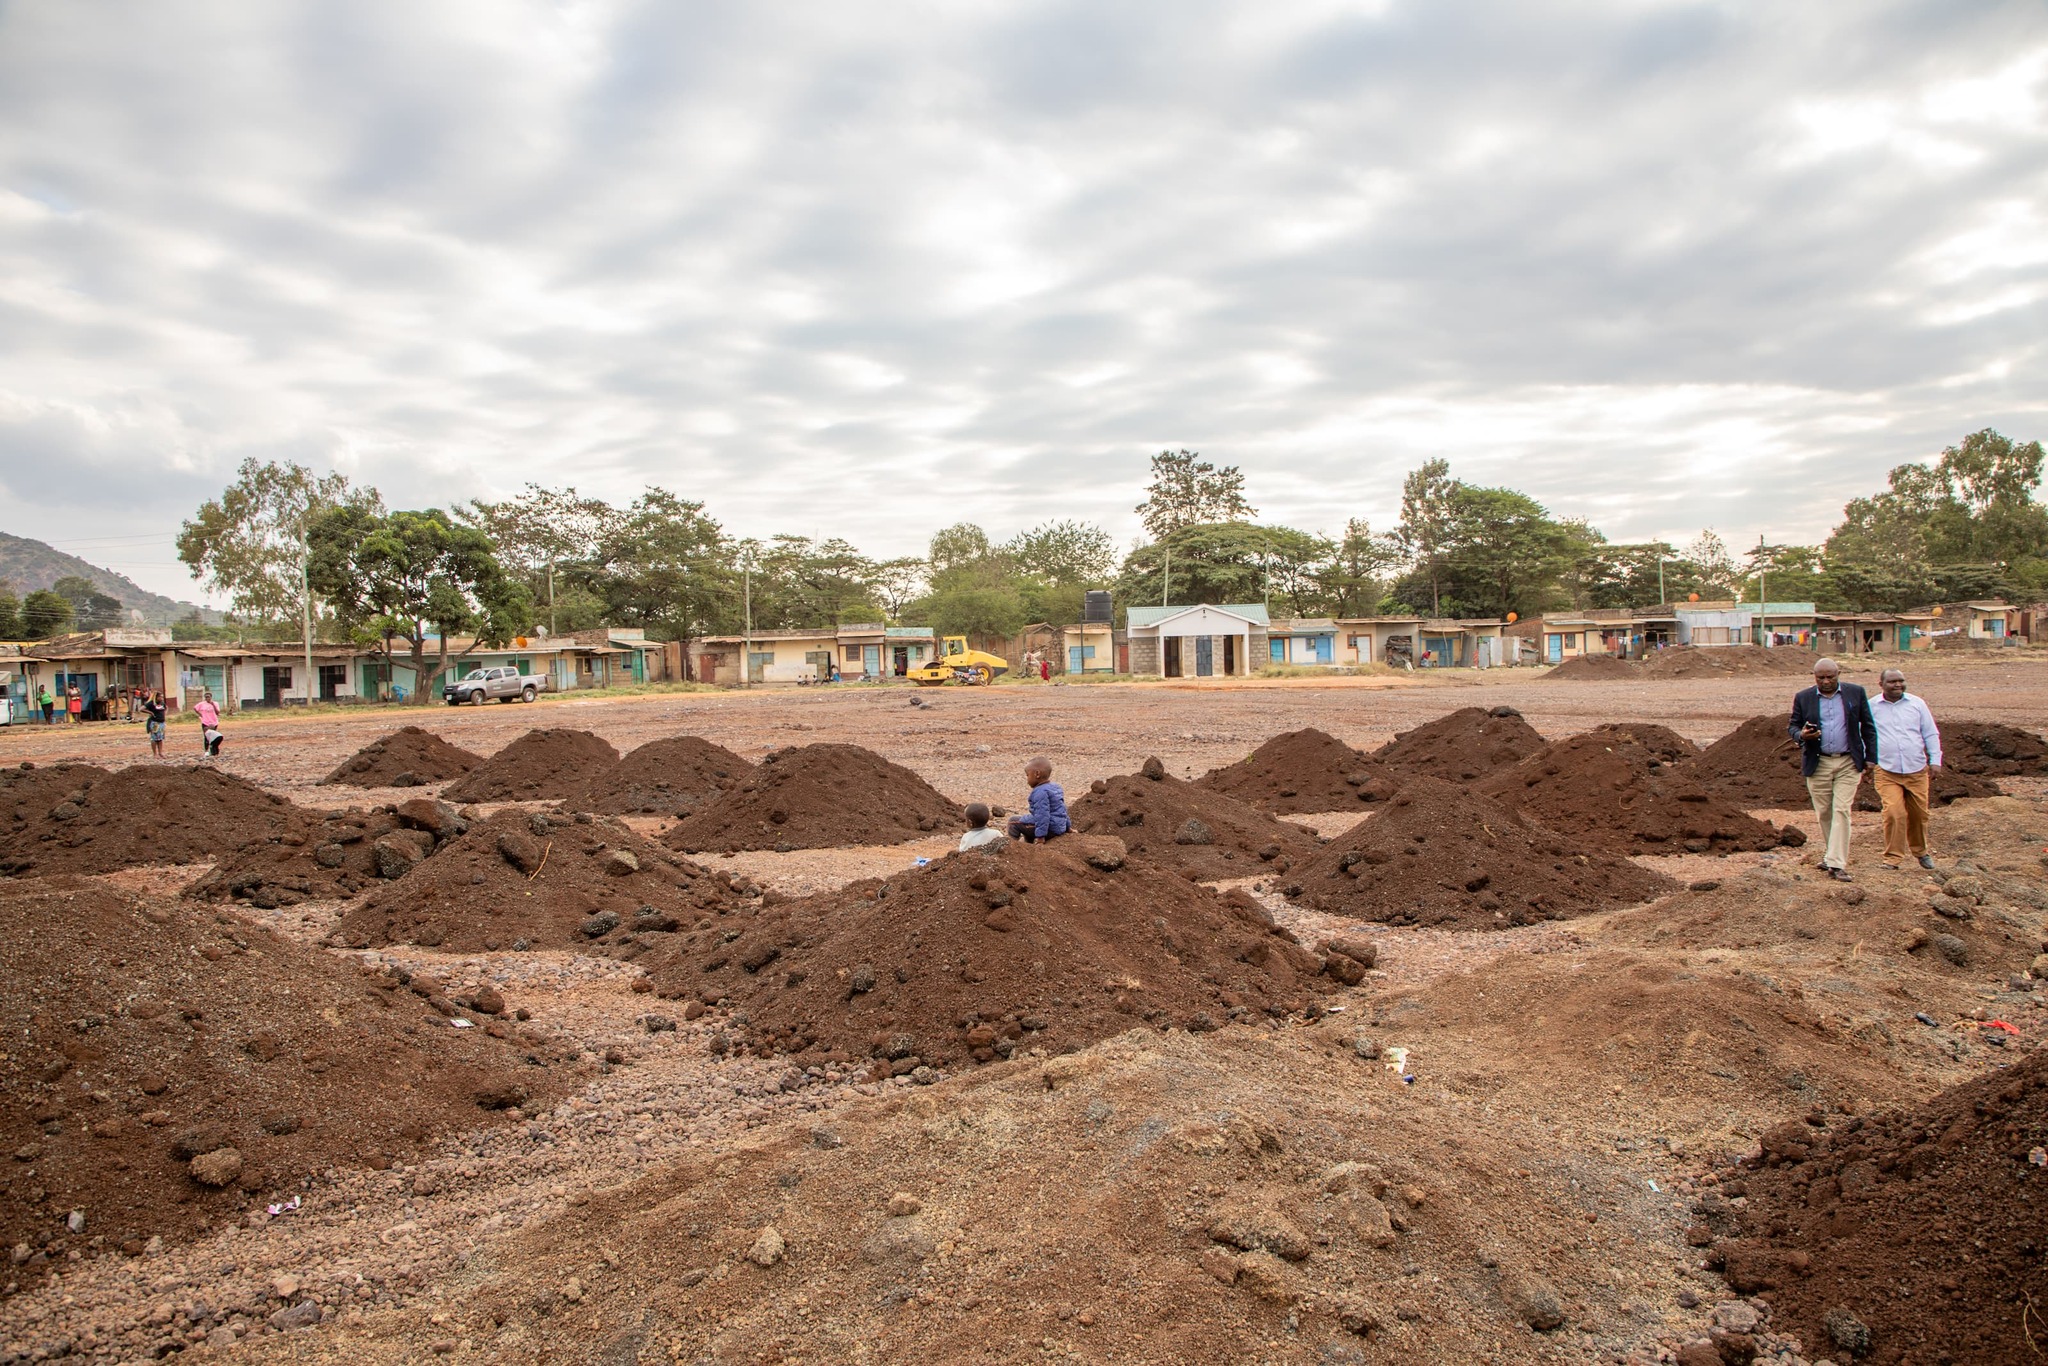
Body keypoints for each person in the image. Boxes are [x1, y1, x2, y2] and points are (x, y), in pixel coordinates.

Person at [1788, 657, 1877, 882]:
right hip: (1819, 762)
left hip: (1848, 761)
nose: (1826, 681)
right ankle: (1831, 855)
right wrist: (1801, 736)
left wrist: (1871, 759)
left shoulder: (1855, 693)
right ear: (1814, 677)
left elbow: (1868, 727)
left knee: (1841, 810)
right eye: (1821, 678)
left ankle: (1837, 864)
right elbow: (1793, 726)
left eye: (1831, 677)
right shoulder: (1804, 697)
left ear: (1839, 674)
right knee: (1825, 812)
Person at [1869, 667, 1941, 871]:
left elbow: (1930, 733)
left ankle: (1921, 852)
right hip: (1886, 770)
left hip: (1916, 770)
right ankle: (1892, 858)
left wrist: (1935, 760)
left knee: (1919, 814)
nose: (1898, 685)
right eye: (1892, 681)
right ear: (1881, 684)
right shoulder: (1872, 706)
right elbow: (1865, 734)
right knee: (1894, 812)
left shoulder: (1917, 704)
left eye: (1901, 680)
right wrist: (1867, 762)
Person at [1006, 756, 1069, 843]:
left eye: (1028, 775)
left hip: (1049, 829)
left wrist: (1040, 837)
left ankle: (1012, 847)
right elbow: (1062, 809)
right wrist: (1068, 827)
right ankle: (1028, 845)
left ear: (1037, 774)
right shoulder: (1056, 787)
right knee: (1028, 821)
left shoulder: (1039, 792)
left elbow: (1042, 814)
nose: (1027, 779)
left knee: (1012, 822)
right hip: (1059, 827)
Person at [194, 690, 223, 758]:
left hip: (213, 722)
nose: (208, 698)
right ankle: (206, 751)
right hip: (205, 721)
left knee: (213, 736)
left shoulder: (215, 703)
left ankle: (214, 750)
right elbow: (195, 708)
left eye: (209, 697)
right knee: (206, 736)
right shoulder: (202, 704)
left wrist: (212, 704)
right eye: (206, 697)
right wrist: (199, 714)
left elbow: (217, 712)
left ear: (211, 697)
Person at [143, 689, 167, 759]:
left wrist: (164, 714)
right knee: (154, 739)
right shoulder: (151, 703)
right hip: (155, 723)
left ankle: (160, 753)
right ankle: (155, 754)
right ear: (156, 697)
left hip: (161, 723)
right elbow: (141, 709)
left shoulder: (162, 703)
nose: (162, 698)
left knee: (160, 738)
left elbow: (166, 708)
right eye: (160, 697)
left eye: (162, 697)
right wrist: (150, 713)